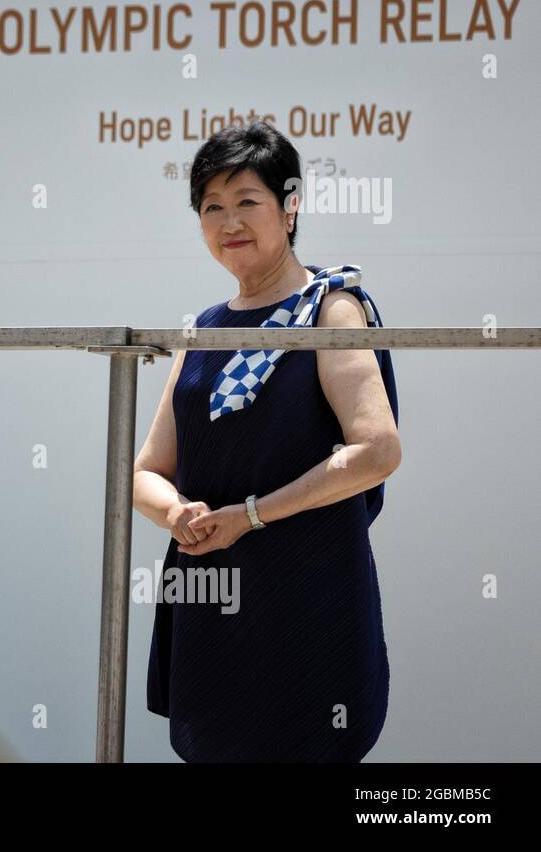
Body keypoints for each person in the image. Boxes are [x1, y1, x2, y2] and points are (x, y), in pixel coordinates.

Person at [134, 121, 401, 761]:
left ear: (289, 207)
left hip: (306, 599)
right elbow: (145, 471)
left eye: (247, 202)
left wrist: (250, 517)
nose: (230, 222)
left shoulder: (330, 309)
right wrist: (177, 513)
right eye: (212, 208)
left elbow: (377, 450)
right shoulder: (204, 329)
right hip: (212, 597)